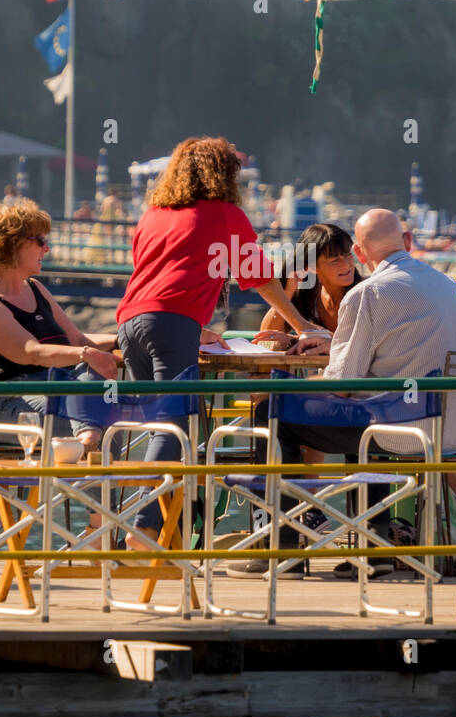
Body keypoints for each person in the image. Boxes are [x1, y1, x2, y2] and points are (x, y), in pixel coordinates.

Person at [228, 208, 456, 577]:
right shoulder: (443, 283)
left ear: (359, 250)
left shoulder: (367, 294)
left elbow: (343, 385)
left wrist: (295, 388)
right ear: (406, 242)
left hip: (407, 429)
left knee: (272, 414)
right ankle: (375, 549)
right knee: (367, 418)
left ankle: (283, 548)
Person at [116, 136, 323, 543]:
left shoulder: (154, 214)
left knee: (160, 424)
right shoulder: (224, 215)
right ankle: (142, 525)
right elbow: (258, 276)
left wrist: (192, 327)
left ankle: (164, 533)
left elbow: (155, 276)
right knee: (172, 427)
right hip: (169, 323)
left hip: (130, 321)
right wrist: (301, 324)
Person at [0, 198, 119, 431]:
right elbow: (32, 352)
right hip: (13, 401)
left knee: (102, 399)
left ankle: (91, 446)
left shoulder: (36, 288)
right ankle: (88, 441)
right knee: (98, 410)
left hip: (59, 389)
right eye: (40, 241)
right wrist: (87, 355)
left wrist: (123, 341)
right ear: (13, 244)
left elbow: (77, 340)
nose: (46, 248)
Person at [254, 222, 362, 346]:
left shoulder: (363, 294)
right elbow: (267, 336)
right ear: (312, 266)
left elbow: (360, 346)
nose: (346, 265)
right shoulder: (307, 293)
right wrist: (288, 292)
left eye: (348, 255)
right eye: (335, 260)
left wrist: (294, 340)